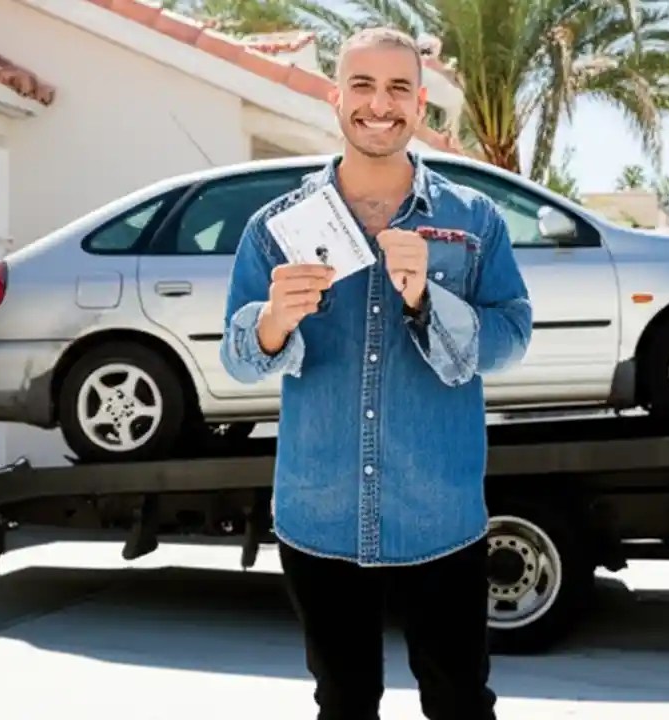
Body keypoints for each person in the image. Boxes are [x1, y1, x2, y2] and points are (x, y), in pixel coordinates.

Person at [219, 25, 533, 720]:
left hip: (440, 515)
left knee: (459, 703)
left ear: (420, 105)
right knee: (344, 703)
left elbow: (512, 336)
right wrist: (273, 321)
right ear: (336, 98)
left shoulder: (473, 221)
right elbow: (236, 358)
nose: (379, 104)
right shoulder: (278, 227)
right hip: (319, 514)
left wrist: (429, 299)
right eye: (362, 85)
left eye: (398, 88)